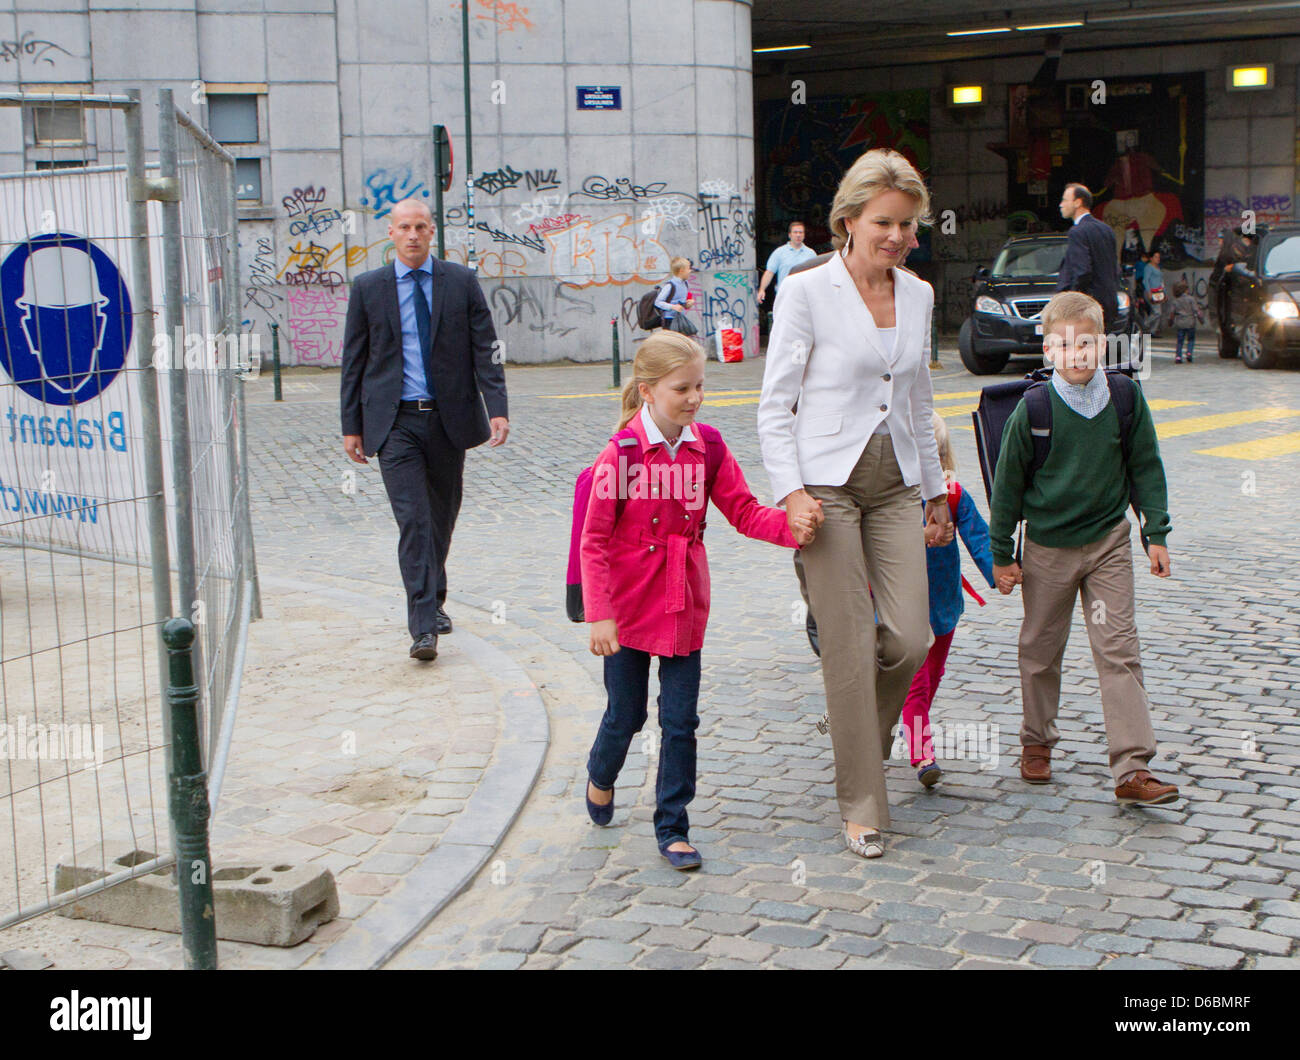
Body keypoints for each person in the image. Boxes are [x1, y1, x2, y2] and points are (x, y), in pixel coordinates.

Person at [757, 148, 954, 860]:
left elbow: (920, 398)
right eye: (884, 223)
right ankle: (863, 803)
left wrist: (935, 492)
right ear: (848, 221)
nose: (897, 237)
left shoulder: (920, 295)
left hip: (897, 483)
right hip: (826, 487)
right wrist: (791, 492)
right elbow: (775, 406)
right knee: (847, 646)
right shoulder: (808, 292)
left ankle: (858, 733)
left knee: (910, 638)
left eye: (907, 225)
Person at [581, 331, 820, 870]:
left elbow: (742, 510)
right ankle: (601, 774)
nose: (693, 398)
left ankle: (672, 827)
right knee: (627, 714)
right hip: (625, 606)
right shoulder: (621, 454)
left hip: (683, 601)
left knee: (681, 720)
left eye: (700, 387)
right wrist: (599, 614)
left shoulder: (706, 444)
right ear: (648, 391)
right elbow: (593, 540)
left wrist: (793, 527)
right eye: (682, 388)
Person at [989, 291, 1179, 807]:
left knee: (1119, 649)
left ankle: (1132, 768)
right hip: (1048, 548)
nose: (1077, 354)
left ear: (1103, 345)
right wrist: (1002, 554)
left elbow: (1146, 464)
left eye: (1087, 343)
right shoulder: (1033, 410)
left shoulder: (1124, 399)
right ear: (1047, 349)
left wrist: (1154, 531)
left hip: (1108, 542)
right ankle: (1036, 743)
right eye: (1065, 345)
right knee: (1040, 649)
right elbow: (1006, 489)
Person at [340, 198, 509, 661]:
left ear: (432, 231)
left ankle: (434, 599)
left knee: (441, 516)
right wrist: (351, 425)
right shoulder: (369, 288)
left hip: (448, 418)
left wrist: (497, 406)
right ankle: (422, 627)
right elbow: (354, 360)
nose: (412, 235)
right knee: (413, 521)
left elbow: (485, 347)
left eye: (420, 227)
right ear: (390, 233)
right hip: (394, 422)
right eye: (404, 228)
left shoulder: (460, 281)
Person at [900, 413, 995, 788]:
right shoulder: (895, 502)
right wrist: (921, 535)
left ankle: (907, 720)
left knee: (933, 676)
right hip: (902, 606)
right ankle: (922, 753)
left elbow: (979, 539)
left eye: (936, 457)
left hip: (943, 605)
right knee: (918, 682)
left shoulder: (953, 495)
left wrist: (1001, 573)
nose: (931, 466)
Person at [1056, 183, 1121, 333]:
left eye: (1065, 200)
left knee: (1080, 351)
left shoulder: (1077, 232)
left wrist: (1072, 301)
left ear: (1078, 202)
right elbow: (1114, 267)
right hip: (1108, 303)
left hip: (1086, 307)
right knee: (1098, 351)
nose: (1061, 205)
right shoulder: (1107, 229)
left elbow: (1082, 271)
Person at [757, 221, 817, 309]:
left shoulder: (811, 254)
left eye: (801, 232)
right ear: (790, 235)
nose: (798, 235)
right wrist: (762, 290)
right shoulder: (779, 252)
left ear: (804, 235)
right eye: (795, 232)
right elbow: (769, 272)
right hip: (784, 297)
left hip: (805, 298)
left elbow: (816, 275)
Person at [653, 257, 693, 331]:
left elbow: (683, 302)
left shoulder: (685, 283)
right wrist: (672, 307)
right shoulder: (670, 285)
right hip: (669, 321)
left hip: (681, 319)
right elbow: (657, 302)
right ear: (681, 271)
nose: (690, 271)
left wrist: (688, 303)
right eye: (688, 269)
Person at [1170, 280, 1203, 363]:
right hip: (1190, 323)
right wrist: (1201, 319)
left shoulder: (1175, 301)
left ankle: (1178, 357)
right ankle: (1189, 353)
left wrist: (1170, 322)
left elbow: (1172, 313)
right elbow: (1197, 310)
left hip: (1180, 323)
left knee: (1180, 341)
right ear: (1186, 290)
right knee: (1191, 339)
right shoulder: (1191, 299)